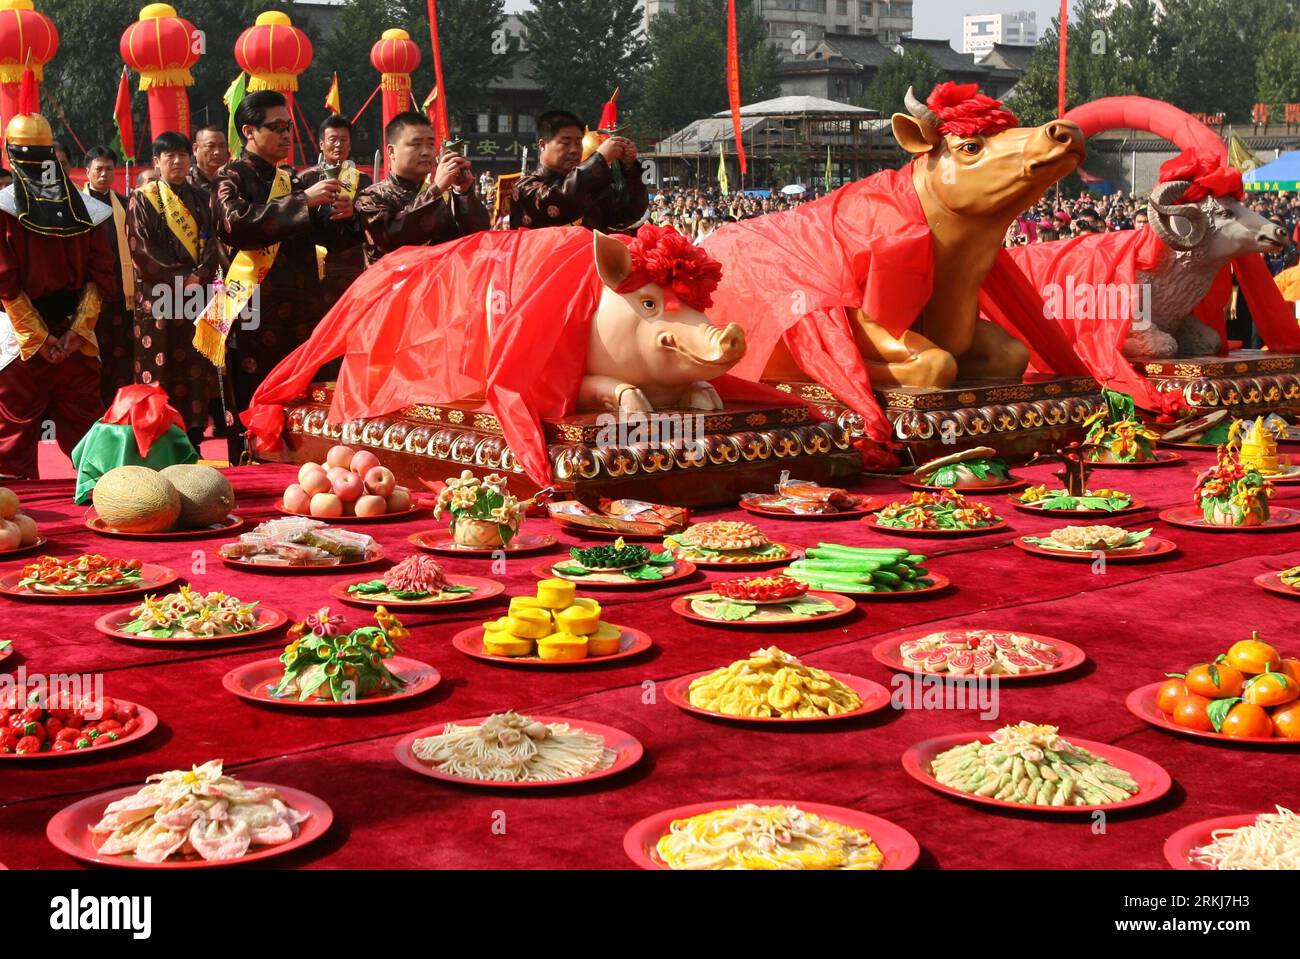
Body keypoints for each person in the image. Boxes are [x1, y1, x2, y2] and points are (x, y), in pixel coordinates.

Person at [211, 89, 354, 453]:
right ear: (249, 131)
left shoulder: (290, 180)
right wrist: (304, 201)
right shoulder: (231, 177)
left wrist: (341, 216)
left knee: (301, 413)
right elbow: (235, 225)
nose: (286, 134)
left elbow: (327, 239)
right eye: (276, 127)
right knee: (255, 414)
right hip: (252, 316)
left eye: (288, 126)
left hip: (301, 315)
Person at [0, 107, 117, 479]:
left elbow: (5, 283)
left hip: (20, 345)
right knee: (89, 440)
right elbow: (101, 279)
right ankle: (111, 505)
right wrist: (72, 334)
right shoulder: (89, 209)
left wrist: (40, 338)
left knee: (12, 444)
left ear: (10, 153)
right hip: (76, 341)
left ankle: (13, 519)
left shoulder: (3, 208)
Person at [126, 131, 221, 449]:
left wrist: (201, 275)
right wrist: (184, 277)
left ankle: (194, 437)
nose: (178, 161)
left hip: (196, 298)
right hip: (158, 302)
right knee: (160, 369)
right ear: (157, 162)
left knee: (195, 370)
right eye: (170, 156)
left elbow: (212, 246)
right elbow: (142, 251)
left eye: (182, 155)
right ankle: (156, 442)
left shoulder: (200, 198)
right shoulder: (142, 199)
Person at [353, 111, 489, 266]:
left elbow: (478, 237)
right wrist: (436, 189)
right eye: (416, 144)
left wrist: (463, 193)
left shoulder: (444, 195)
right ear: (391, 151)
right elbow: (392, 237)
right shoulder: (371, 198)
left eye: (431, 144)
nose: (426, 152)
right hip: (395, 288)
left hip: (440, 285)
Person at [509, 109, 647, 231]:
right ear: (542, 145)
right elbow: (559, 199)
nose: (574, 150)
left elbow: (628, 213)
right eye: (565, 142)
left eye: (578, 143)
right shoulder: (524, 188)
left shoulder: (589, 187)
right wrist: (599, 159)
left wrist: (629, 168)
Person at [82, 145, 135, 405]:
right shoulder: (75, 207)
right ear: (87, 172)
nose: (104, 174)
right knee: (90, 356)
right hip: (88, 292)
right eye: (98, 169)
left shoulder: (125, 205)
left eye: (109, 169)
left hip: (121, 292)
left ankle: (121, 408)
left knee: (122, 355)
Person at [298, 115, 369, 305]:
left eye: (344, 140)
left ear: (350, 145)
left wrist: (354, 214)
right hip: (315, 264)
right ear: (321, 144)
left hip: (351, 264)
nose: (338, 145)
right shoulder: (305, 179)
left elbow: (369, 221)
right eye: (333, 140)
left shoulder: (362, 180)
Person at [189, 124, 230, 202]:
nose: (217, 152)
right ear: (195, 149)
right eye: (210, 146)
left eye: (222, 146)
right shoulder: (186, 182)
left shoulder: (234, 181)